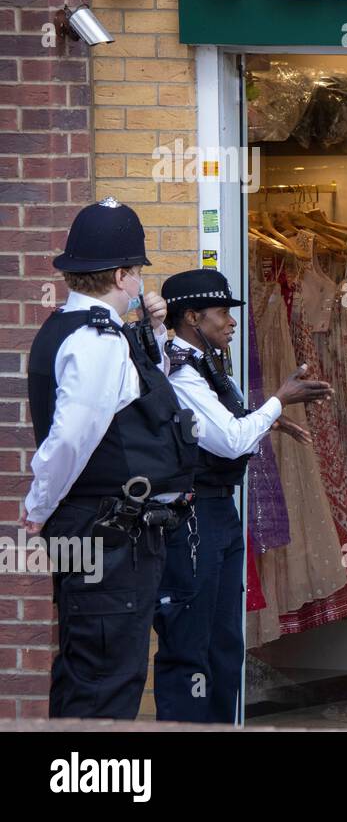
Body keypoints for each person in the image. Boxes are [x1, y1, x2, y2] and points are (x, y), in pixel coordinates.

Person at [24, 197, 200, 720]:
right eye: (137, 272)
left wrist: (153, 333)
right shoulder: (96, 340)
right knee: (104, 680)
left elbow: (149, 405)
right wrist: (37, 507)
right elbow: (72, 436)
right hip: (110, 531)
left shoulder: (79, 328)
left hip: (105, 529)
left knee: (91, 668)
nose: (141, 281)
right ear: (123, 274)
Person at [155, 268, 332, 723]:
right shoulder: (179, 371)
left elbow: (226, 423)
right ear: (192, 317)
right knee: (191, 642)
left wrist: (267, 419)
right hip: (194, 518)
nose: (232, 322)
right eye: (222, 313)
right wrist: (280, 400)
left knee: (223, 640)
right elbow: (229, 440)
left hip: (217, 513)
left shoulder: (209, 360)